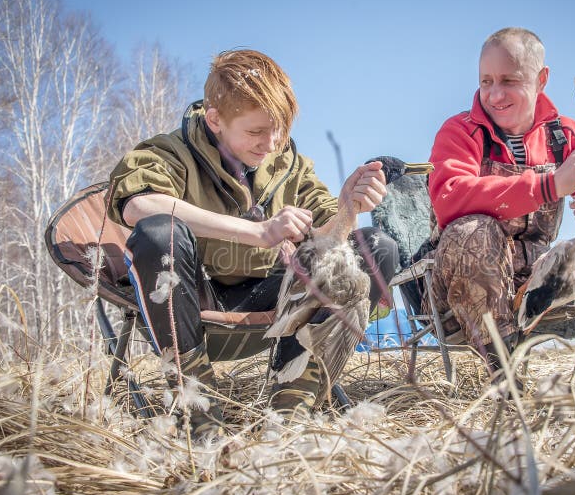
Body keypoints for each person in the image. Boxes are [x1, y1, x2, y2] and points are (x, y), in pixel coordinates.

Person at [107, 49, 396, 434]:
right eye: (256, 131)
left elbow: (330, 242)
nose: (271, 143)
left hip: (276, 307)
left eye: (280, 129)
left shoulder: (290, 165)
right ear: (215, 120)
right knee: (159, 231)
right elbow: (139, 205)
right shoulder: (168, 152)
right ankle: (198, 405)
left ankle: (291, 407)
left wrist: (348, 208)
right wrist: (258, 233)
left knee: (375, 247)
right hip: (191, 306)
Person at [428, 27, 575, 381]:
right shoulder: (460, 132)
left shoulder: (568, 138)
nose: (495, 95)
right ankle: (506, 382)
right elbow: (450, 198)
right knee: (472, 230)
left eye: (509, 80)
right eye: (486, 81)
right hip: (461, 295)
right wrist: (550, 184)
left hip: (540, 286)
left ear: (541, 79)